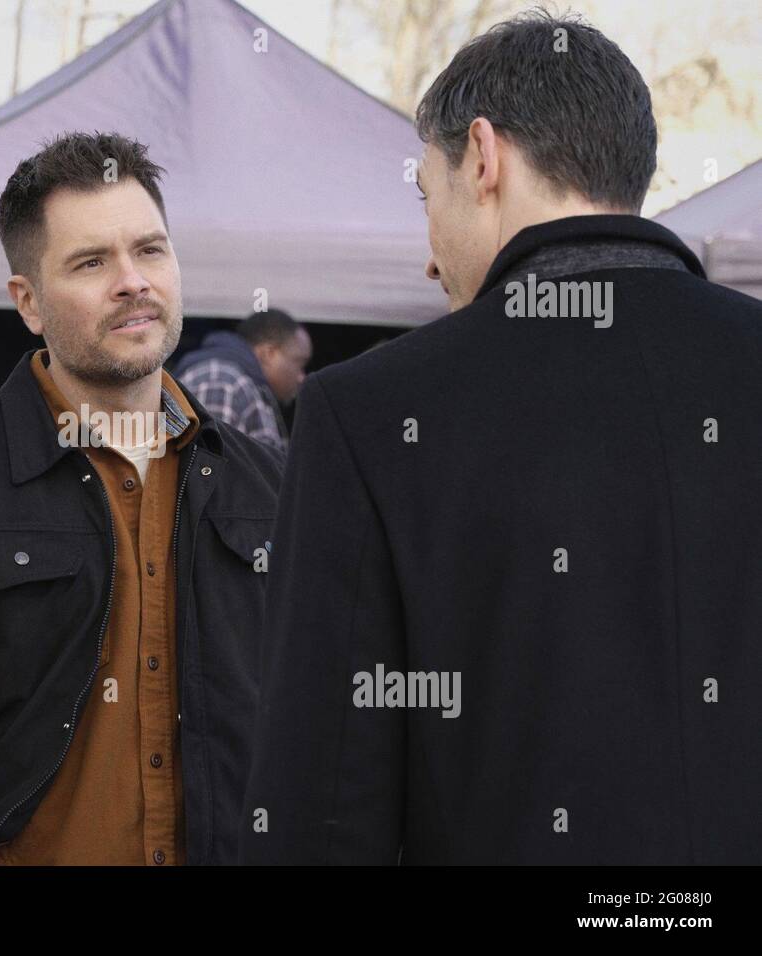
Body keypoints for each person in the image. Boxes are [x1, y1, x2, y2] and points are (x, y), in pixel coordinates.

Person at [243, 11, 762, 864]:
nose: (429, 256)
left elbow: (326, 797)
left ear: (482, 157)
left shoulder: (366, 413)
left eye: (426, 193)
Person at [0, 132, 282, 865]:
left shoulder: (271, 484)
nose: (132, 281)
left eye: (150, 250)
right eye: (90, 262)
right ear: (29, 303)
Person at [173, 309, 312, 453]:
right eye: (299, 362)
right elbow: (208, 466)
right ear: (269, 353)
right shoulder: (221, 380)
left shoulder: (243, 383)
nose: (302, 377)